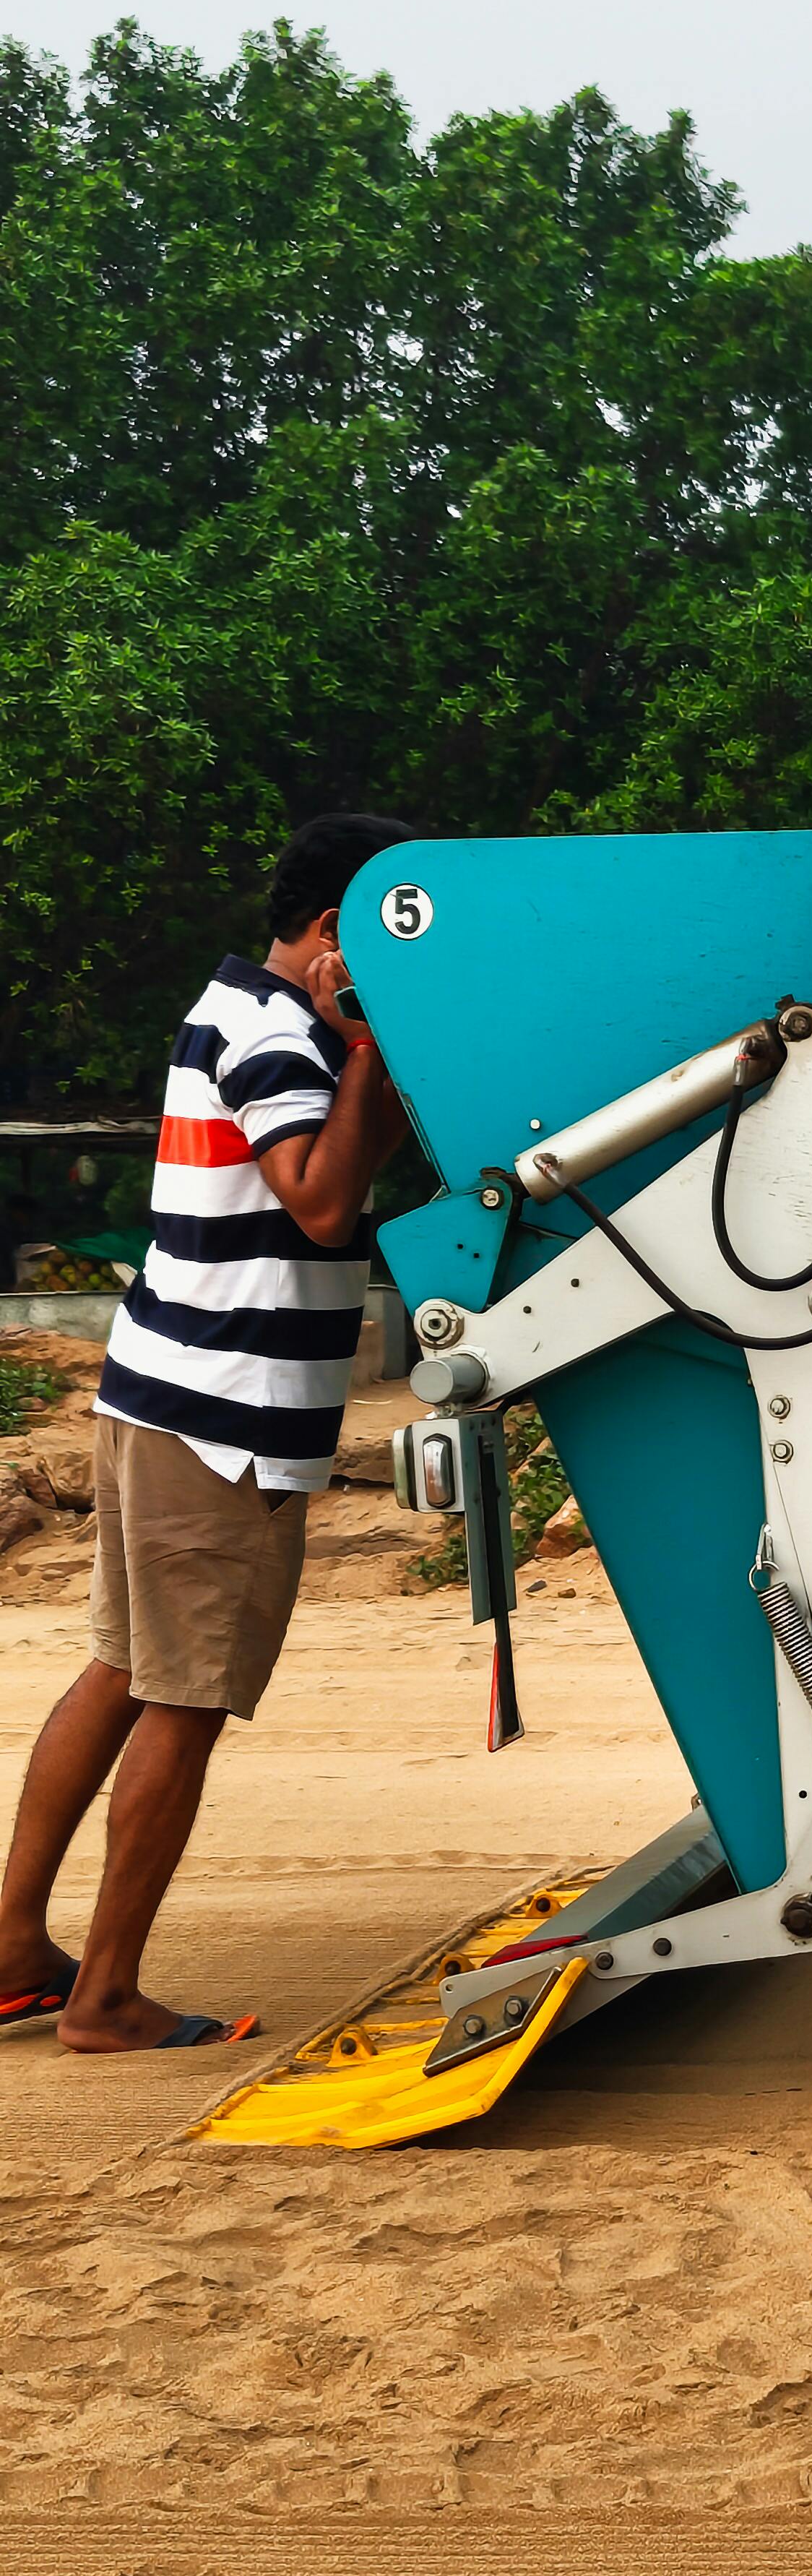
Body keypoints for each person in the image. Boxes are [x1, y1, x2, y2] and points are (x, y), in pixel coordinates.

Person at [0, 814, 416, 2051]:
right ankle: (107, 1998)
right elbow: (327, 1201)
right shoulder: (281, 1034)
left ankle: (18, 1946)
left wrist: (368, 1057)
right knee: (183, 1700)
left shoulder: (227, 1008)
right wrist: (376, 1044)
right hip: (227, 1425)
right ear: (337, 932)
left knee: (122, 1671)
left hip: (156, 1392)